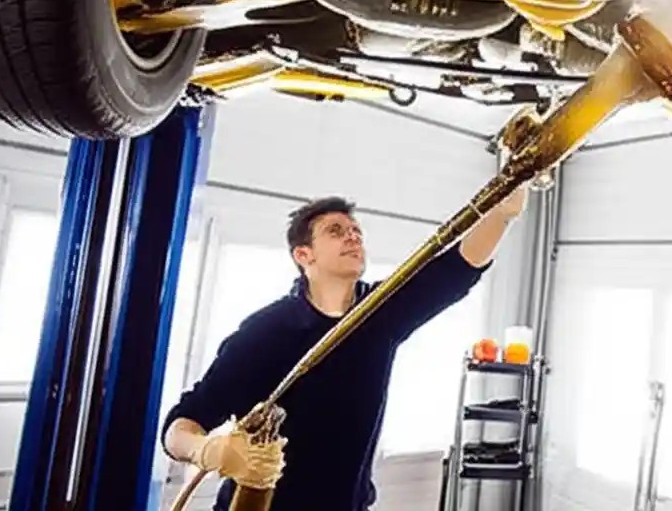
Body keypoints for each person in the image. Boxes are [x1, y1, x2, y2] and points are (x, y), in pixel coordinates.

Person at [162, 187, 528, 510]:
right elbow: (180, 426)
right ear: (304, 255)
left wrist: (502, 214)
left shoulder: (379, 313)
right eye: (335, 232)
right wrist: (208, 451)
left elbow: (454, 270)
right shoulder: (264, 332)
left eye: (356, 231)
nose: (353, 238)